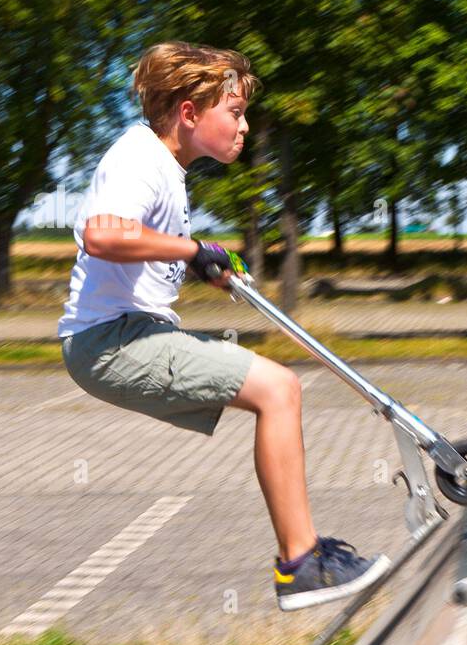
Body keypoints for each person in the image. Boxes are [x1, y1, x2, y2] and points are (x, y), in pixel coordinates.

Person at [57, 41, 389, 610]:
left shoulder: (166, 167)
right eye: (234, 113)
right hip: (112, 340)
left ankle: (301, 556)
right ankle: (302, 563)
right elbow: (102, 236)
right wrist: (191, 250)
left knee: (277, 390)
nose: (244, 125)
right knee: (278, 389)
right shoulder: (140, 157)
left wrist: (201, 263)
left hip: (127, 334)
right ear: (189, 113)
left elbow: (138, 248)